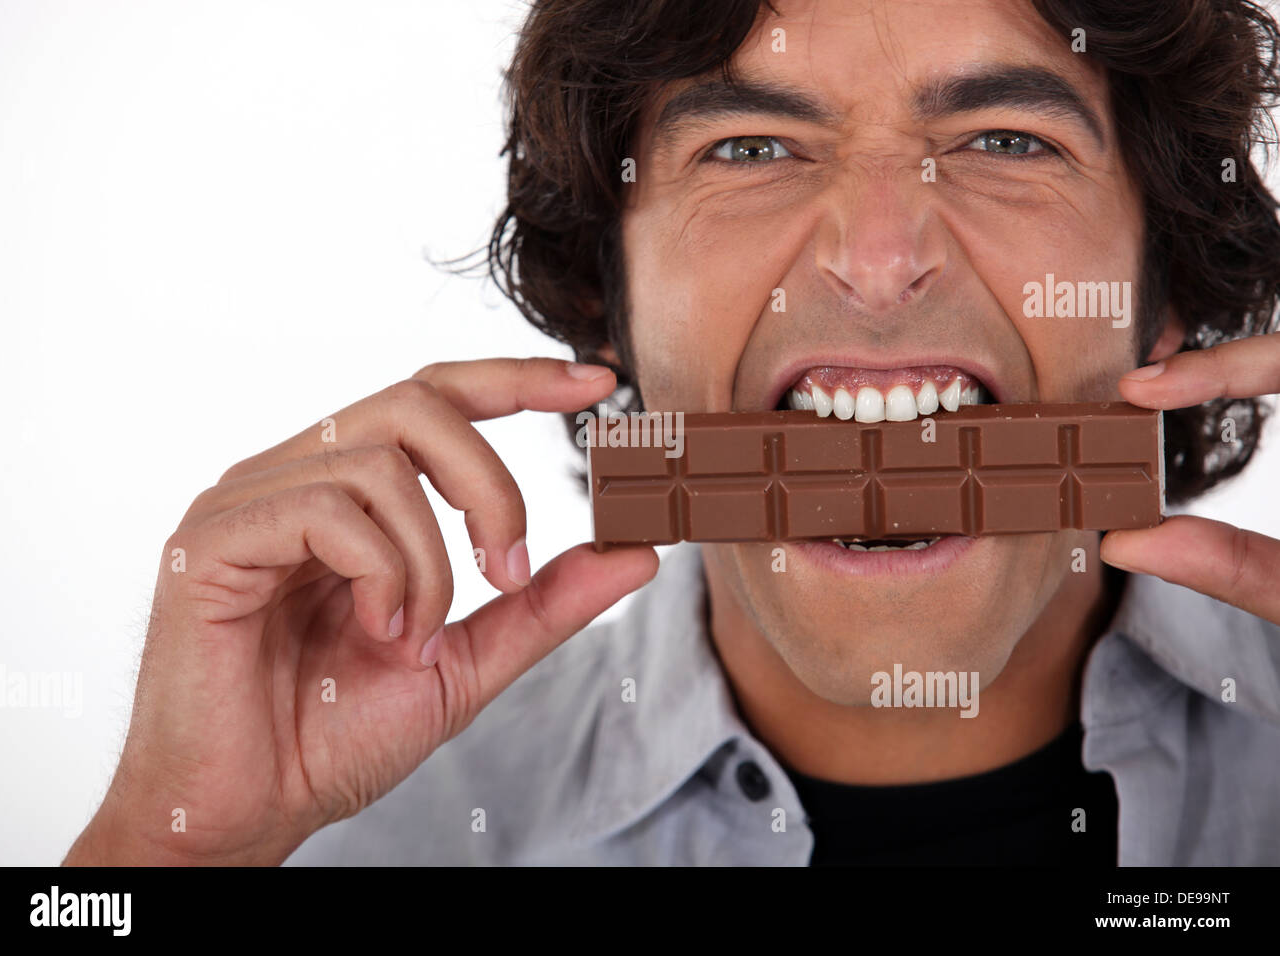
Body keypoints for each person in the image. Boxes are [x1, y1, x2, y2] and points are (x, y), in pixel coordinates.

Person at [64, 0, 1280, 866]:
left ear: (1162, 291)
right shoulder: (368, 827)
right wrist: (163, 854)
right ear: (609, 304)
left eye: (1005, 141)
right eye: (749, 147)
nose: (875, 259)